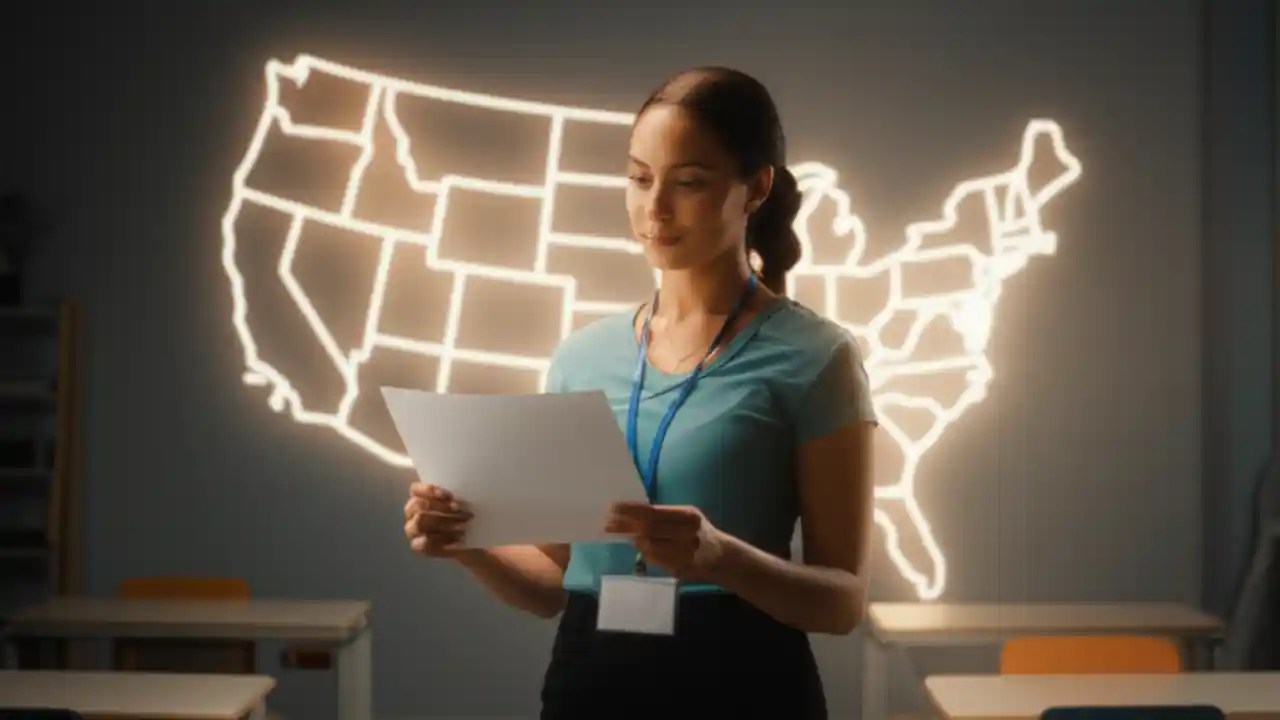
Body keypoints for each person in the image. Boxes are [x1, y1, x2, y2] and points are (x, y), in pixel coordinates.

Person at [403, 66, 878, 719]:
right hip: (590, 686)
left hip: (745, 686)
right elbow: (554, 584)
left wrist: (721, 558)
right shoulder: (580, 359)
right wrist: (468, 541)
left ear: (756, 188)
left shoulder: (819, 357)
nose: (654, 208)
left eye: (688, 183)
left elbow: (843, 602)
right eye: (638, 178)